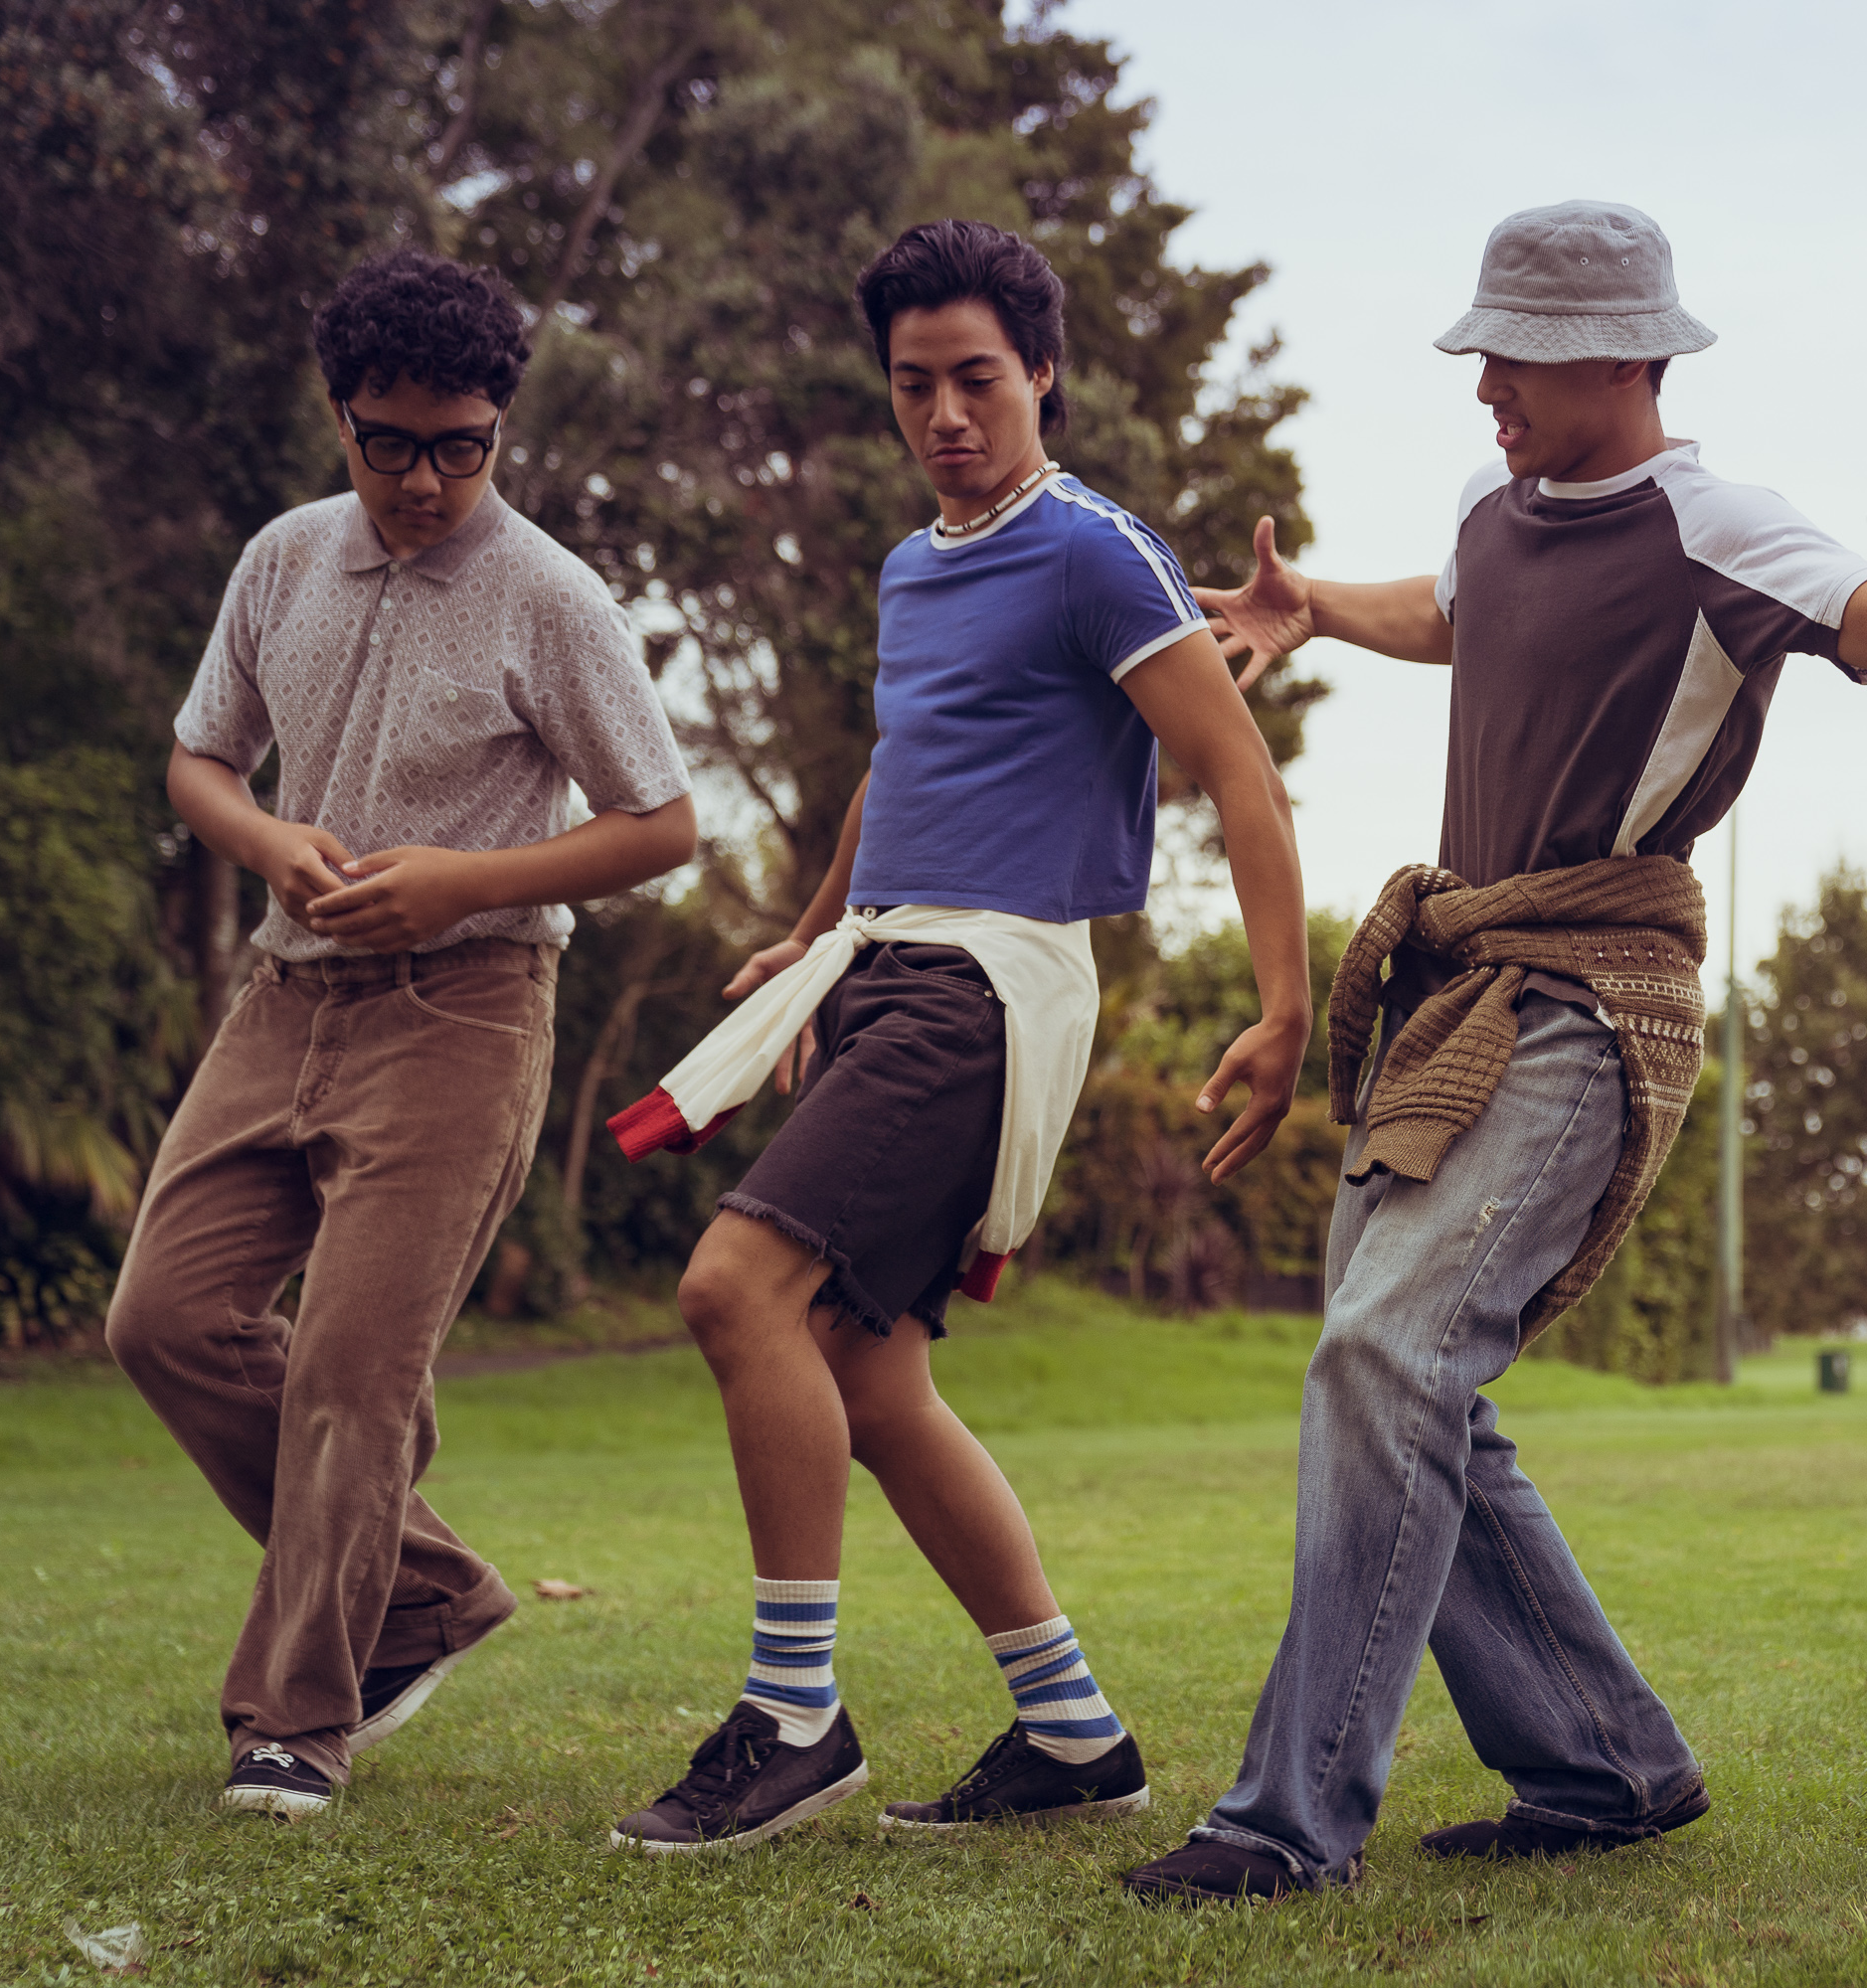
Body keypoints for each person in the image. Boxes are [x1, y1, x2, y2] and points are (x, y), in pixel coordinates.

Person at [1117, 199, 1867, 1904]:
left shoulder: (1721, 530)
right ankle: (1606, 1764)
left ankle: (1284, 1820)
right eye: (1481, 354)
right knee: (1414, 1386)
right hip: (1456, 990)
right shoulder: (1496, 504)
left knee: (1388, 1357)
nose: (1487, 389)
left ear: (1626, 357)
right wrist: (1314, 604)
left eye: (1518, 359)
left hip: (1589, 1005)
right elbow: (1463, 610)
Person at [599, 218, 1311, 1856]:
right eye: (915, 385)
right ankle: (1071, 1735)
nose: (947, 415)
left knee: (731, 1287)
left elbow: (1237, 773)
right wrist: (809, 931)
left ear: (1042, 372)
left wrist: (1284, 1010)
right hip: (878, 966)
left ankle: (793, 1716)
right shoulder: (915, 566)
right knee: (869, 1369)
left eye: (977, 379)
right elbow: (901, 755)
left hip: (985, 985)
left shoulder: (1092, 551)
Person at [104, 249, 698, 1816]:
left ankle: (298, 1717)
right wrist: (269, 846)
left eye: (464, 445)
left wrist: (461, 885)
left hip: (465, 1014)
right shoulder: (283, 560)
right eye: (391, 442)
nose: (428, 479)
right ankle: (424, 1591)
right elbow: (200, 765)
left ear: (500, 426)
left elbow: (661, 826)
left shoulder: (554, 600)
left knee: (358, 1374)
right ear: (338, 415)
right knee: (161, 1319)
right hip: (281, 997)